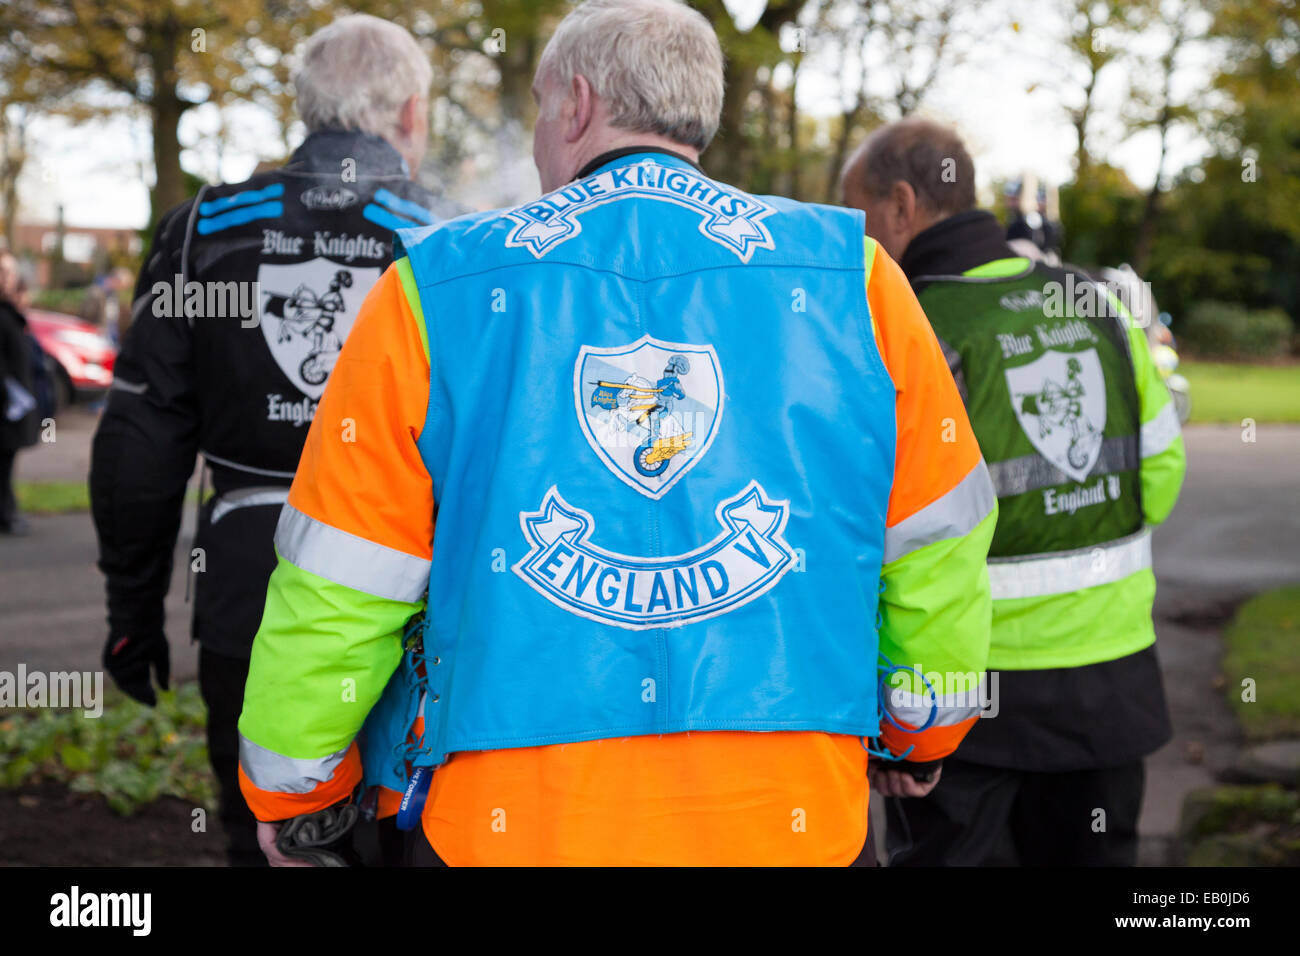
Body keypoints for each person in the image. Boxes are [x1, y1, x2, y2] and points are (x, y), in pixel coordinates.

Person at [237, 0, 997, 867]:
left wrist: (295, 786)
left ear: (578, 104)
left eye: (536, 105)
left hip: (514, 824)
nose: (532, 133)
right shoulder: (853, 278)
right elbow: (937, 536)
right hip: (788, 816)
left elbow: (344, 574)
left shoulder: (434, 288)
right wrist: (920, 727)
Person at [89, 13, 457, 866]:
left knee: (270, 841)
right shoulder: (455, 242)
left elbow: (139, 445)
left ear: (305, 107)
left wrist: (129, 614)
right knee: (407, 834)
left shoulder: (202, 231)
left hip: (249, 588)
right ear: (409, 113)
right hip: (415, 600)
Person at [841, 117, 1186, 866]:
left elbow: (883, 534)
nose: (854, 236)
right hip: (1110, 685)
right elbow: (1159, 476)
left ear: (902, 204)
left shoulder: (903, 324)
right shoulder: (1097, 307)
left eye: (857, 212)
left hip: (965, 704)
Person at [0, 252, 40, 536]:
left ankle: (7, 511)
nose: (8, 277)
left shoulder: (10, 313)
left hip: (13, 405)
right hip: (6, 406)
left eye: (10, 272)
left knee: (6, 464)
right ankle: (6, 514)